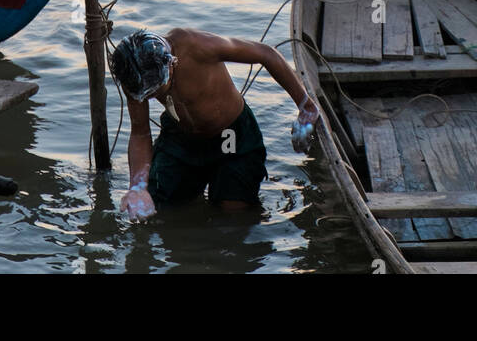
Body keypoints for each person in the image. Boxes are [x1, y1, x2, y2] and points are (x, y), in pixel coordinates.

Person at [109, 27, 320, 220]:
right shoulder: (133, 76)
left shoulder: (198, 46)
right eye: (148, 94)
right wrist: (137, 187)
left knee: (234, 215)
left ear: (171, 63)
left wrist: (305, 106)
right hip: (181, 138)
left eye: (156, 90)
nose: (152, 97)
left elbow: (266, 54)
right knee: (163, 209)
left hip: (230, 136)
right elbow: (140, 133)